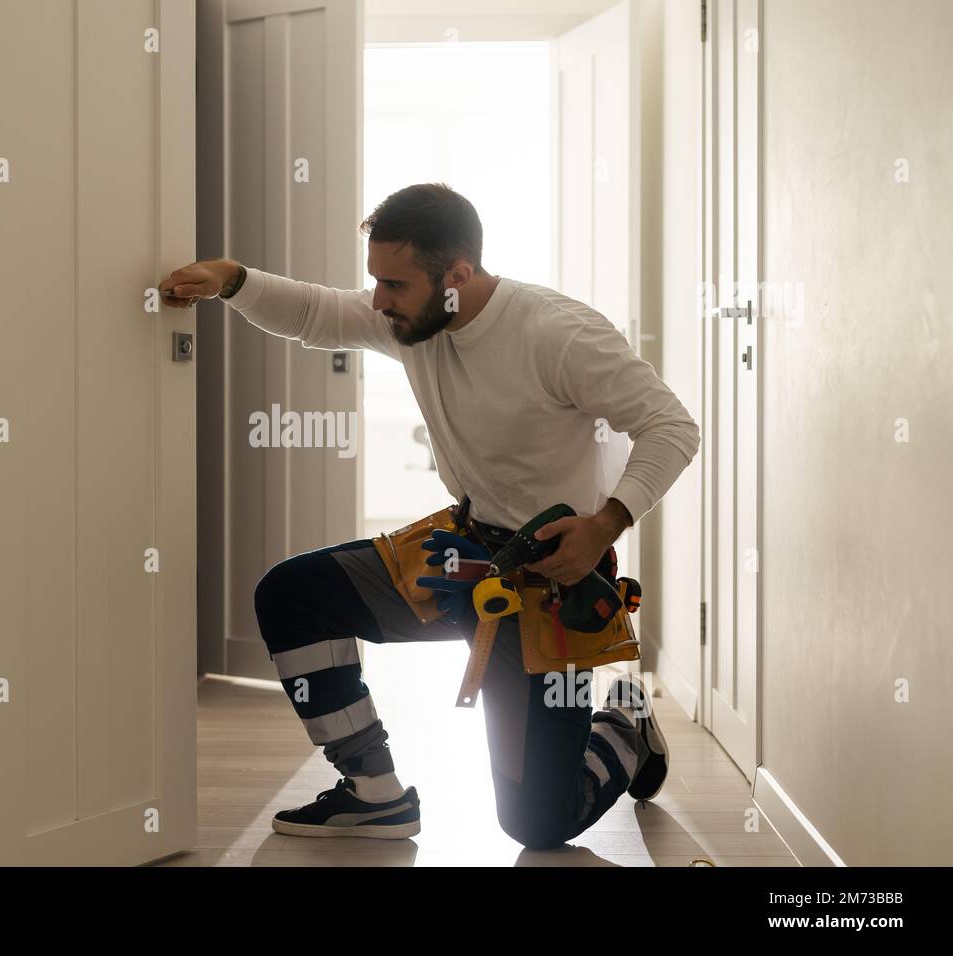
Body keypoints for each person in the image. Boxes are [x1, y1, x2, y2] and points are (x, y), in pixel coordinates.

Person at [158, 182, 698, 849]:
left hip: (549, 584)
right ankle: (373, 794)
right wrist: (231, 280)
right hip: (458, 556)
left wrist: (605, 524)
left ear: (458, 276)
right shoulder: (413, 320)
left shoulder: (560, 334)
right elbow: (319, 314)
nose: (380, 300)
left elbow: (672, 426)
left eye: (395, 284)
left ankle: (623, 724)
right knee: (293, 596)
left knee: (538, 825)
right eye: (376, 282)